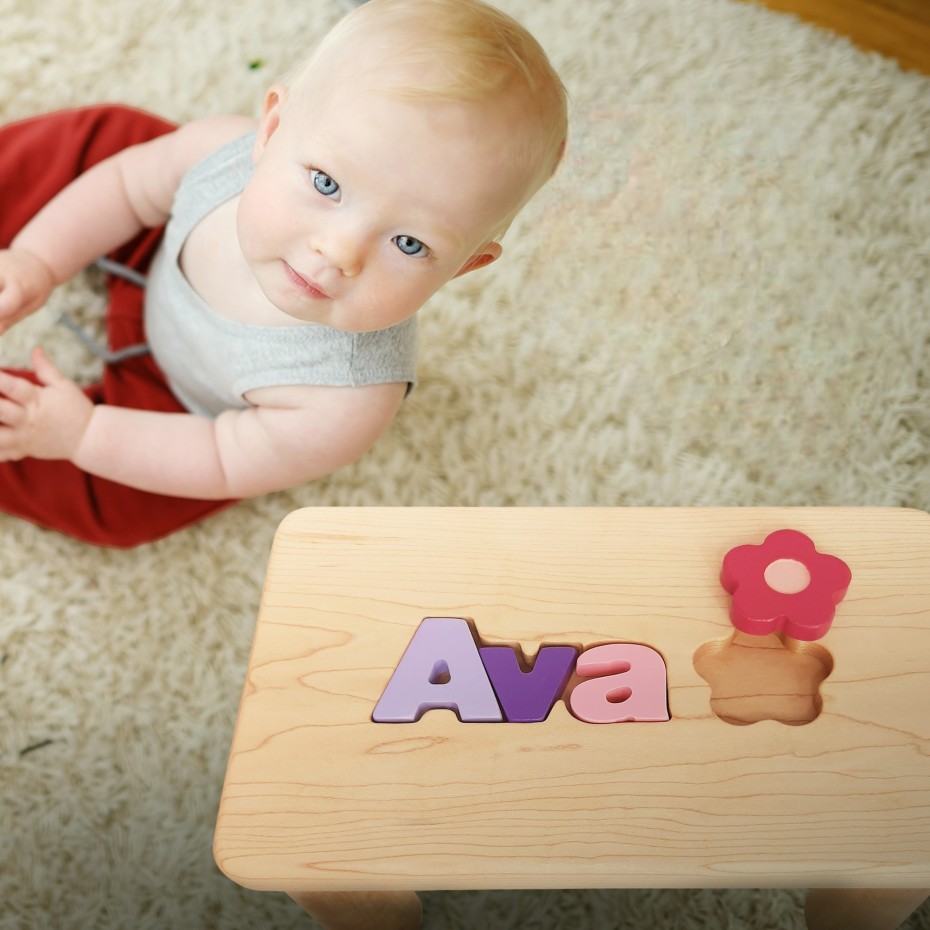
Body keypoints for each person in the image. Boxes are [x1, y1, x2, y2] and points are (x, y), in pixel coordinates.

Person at [0, 0, 567, 548]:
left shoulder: (349, 398)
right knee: (111, 141)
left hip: (177, 403)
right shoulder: (218, 155)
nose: (338, 251)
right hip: (151, 248)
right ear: (270, 129)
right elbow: (127, 188)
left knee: (117, 503)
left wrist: (82, 434)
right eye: (327, 183)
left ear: (467, 266)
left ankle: (34, 425)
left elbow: (222, 459)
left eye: (408, 242)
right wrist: (38, 260)